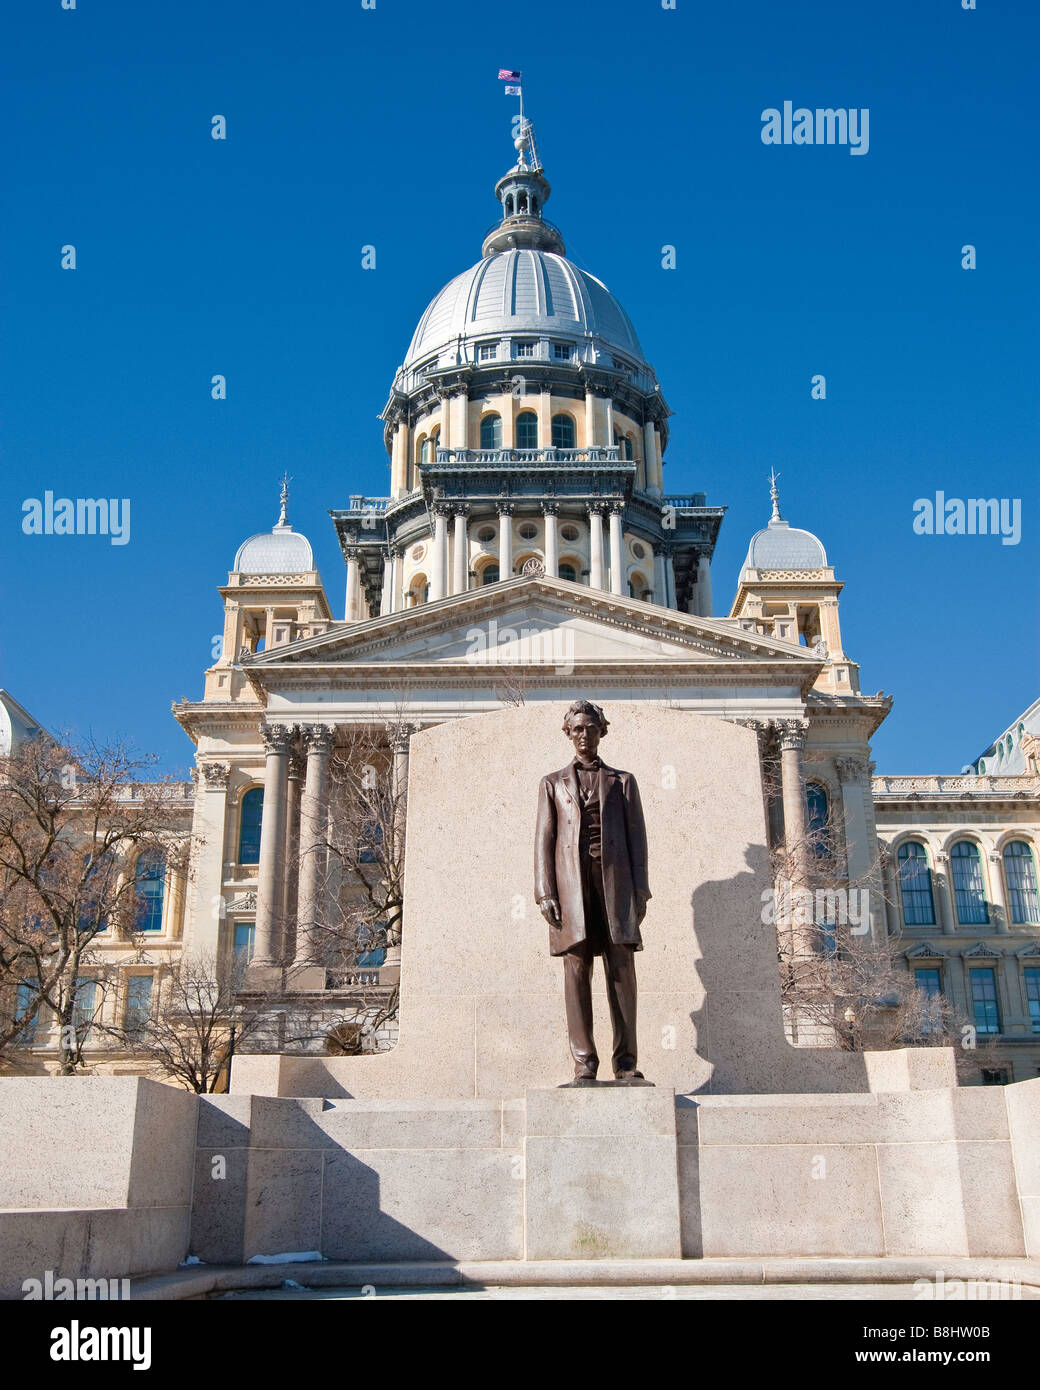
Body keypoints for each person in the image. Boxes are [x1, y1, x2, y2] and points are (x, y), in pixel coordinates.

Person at [534, 700, 651, 1083]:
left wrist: (640, 891)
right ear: (568, 734)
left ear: (602, 731)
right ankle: (584, 1064)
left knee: (621, 970)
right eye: (577, 729)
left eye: (591, 728)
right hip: (571, 888)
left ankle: (626, 1064)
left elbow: (638, 840)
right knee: (576, 970)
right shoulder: (552, 783)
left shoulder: (623, 782)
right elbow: (544, 840)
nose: (584, 735)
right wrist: (544, 892)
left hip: (615, 886)